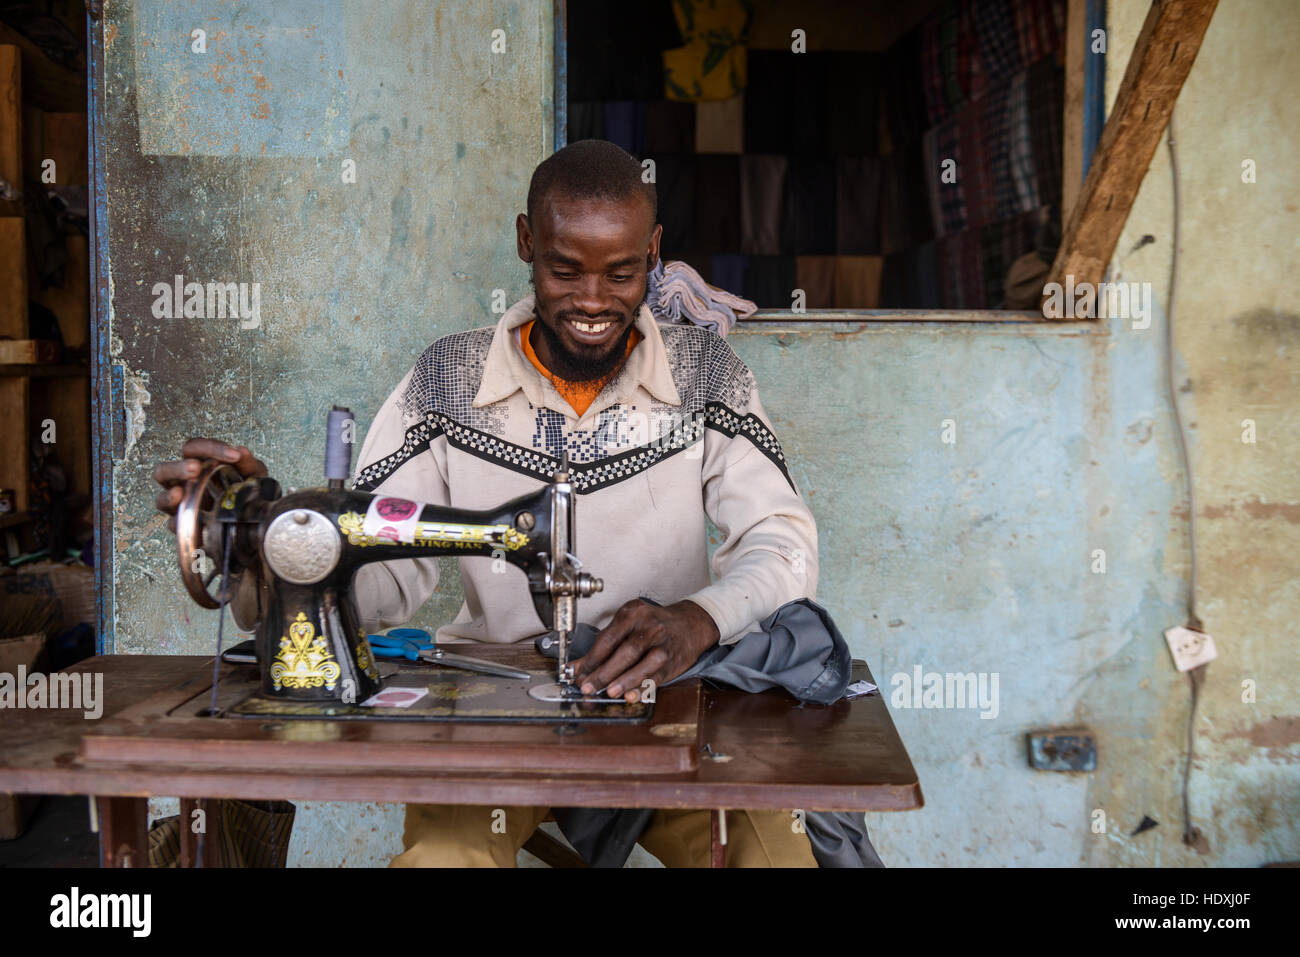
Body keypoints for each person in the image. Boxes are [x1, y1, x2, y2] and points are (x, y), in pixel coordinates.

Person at [152, 139, 820, 867]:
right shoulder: (446, 380)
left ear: (654, 251)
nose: (594, 300)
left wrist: (699, 618)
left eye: (622, 272)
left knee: (772, 852)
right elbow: (379, 579)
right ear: (526, 241)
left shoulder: (706, 376)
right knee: (443, 858)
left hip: (665, 697)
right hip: (492, 705)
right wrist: (278, 542)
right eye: (565, 270)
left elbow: (782, 542)